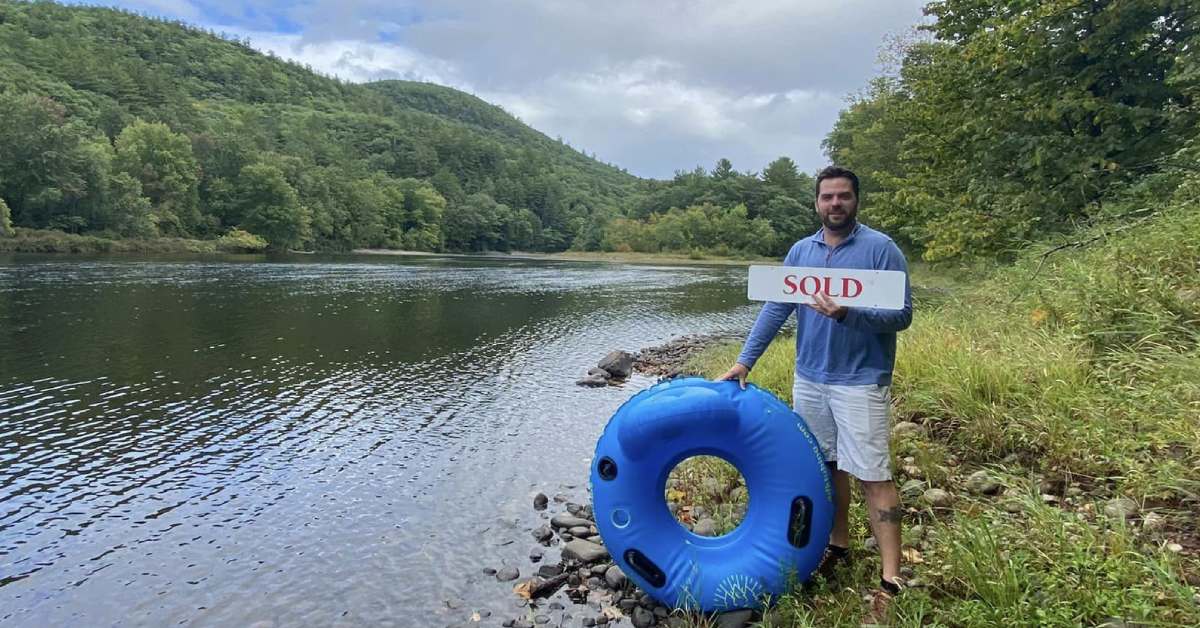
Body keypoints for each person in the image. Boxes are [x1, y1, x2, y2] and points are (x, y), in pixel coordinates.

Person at [717, 166, 912, 599]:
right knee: (826, 468)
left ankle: (891, 581)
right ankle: (837, 546)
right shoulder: (801, 251)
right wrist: (745, 361)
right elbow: (775, 308)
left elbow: (902, 316)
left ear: (856, 200)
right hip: (810, 380)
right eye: (827, 197)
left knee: (874, 475)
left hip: (861, 382)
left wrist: (848, 313)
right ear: (817, 202)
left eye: (843, 196)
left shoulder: (882, 249)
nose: (835, 204)